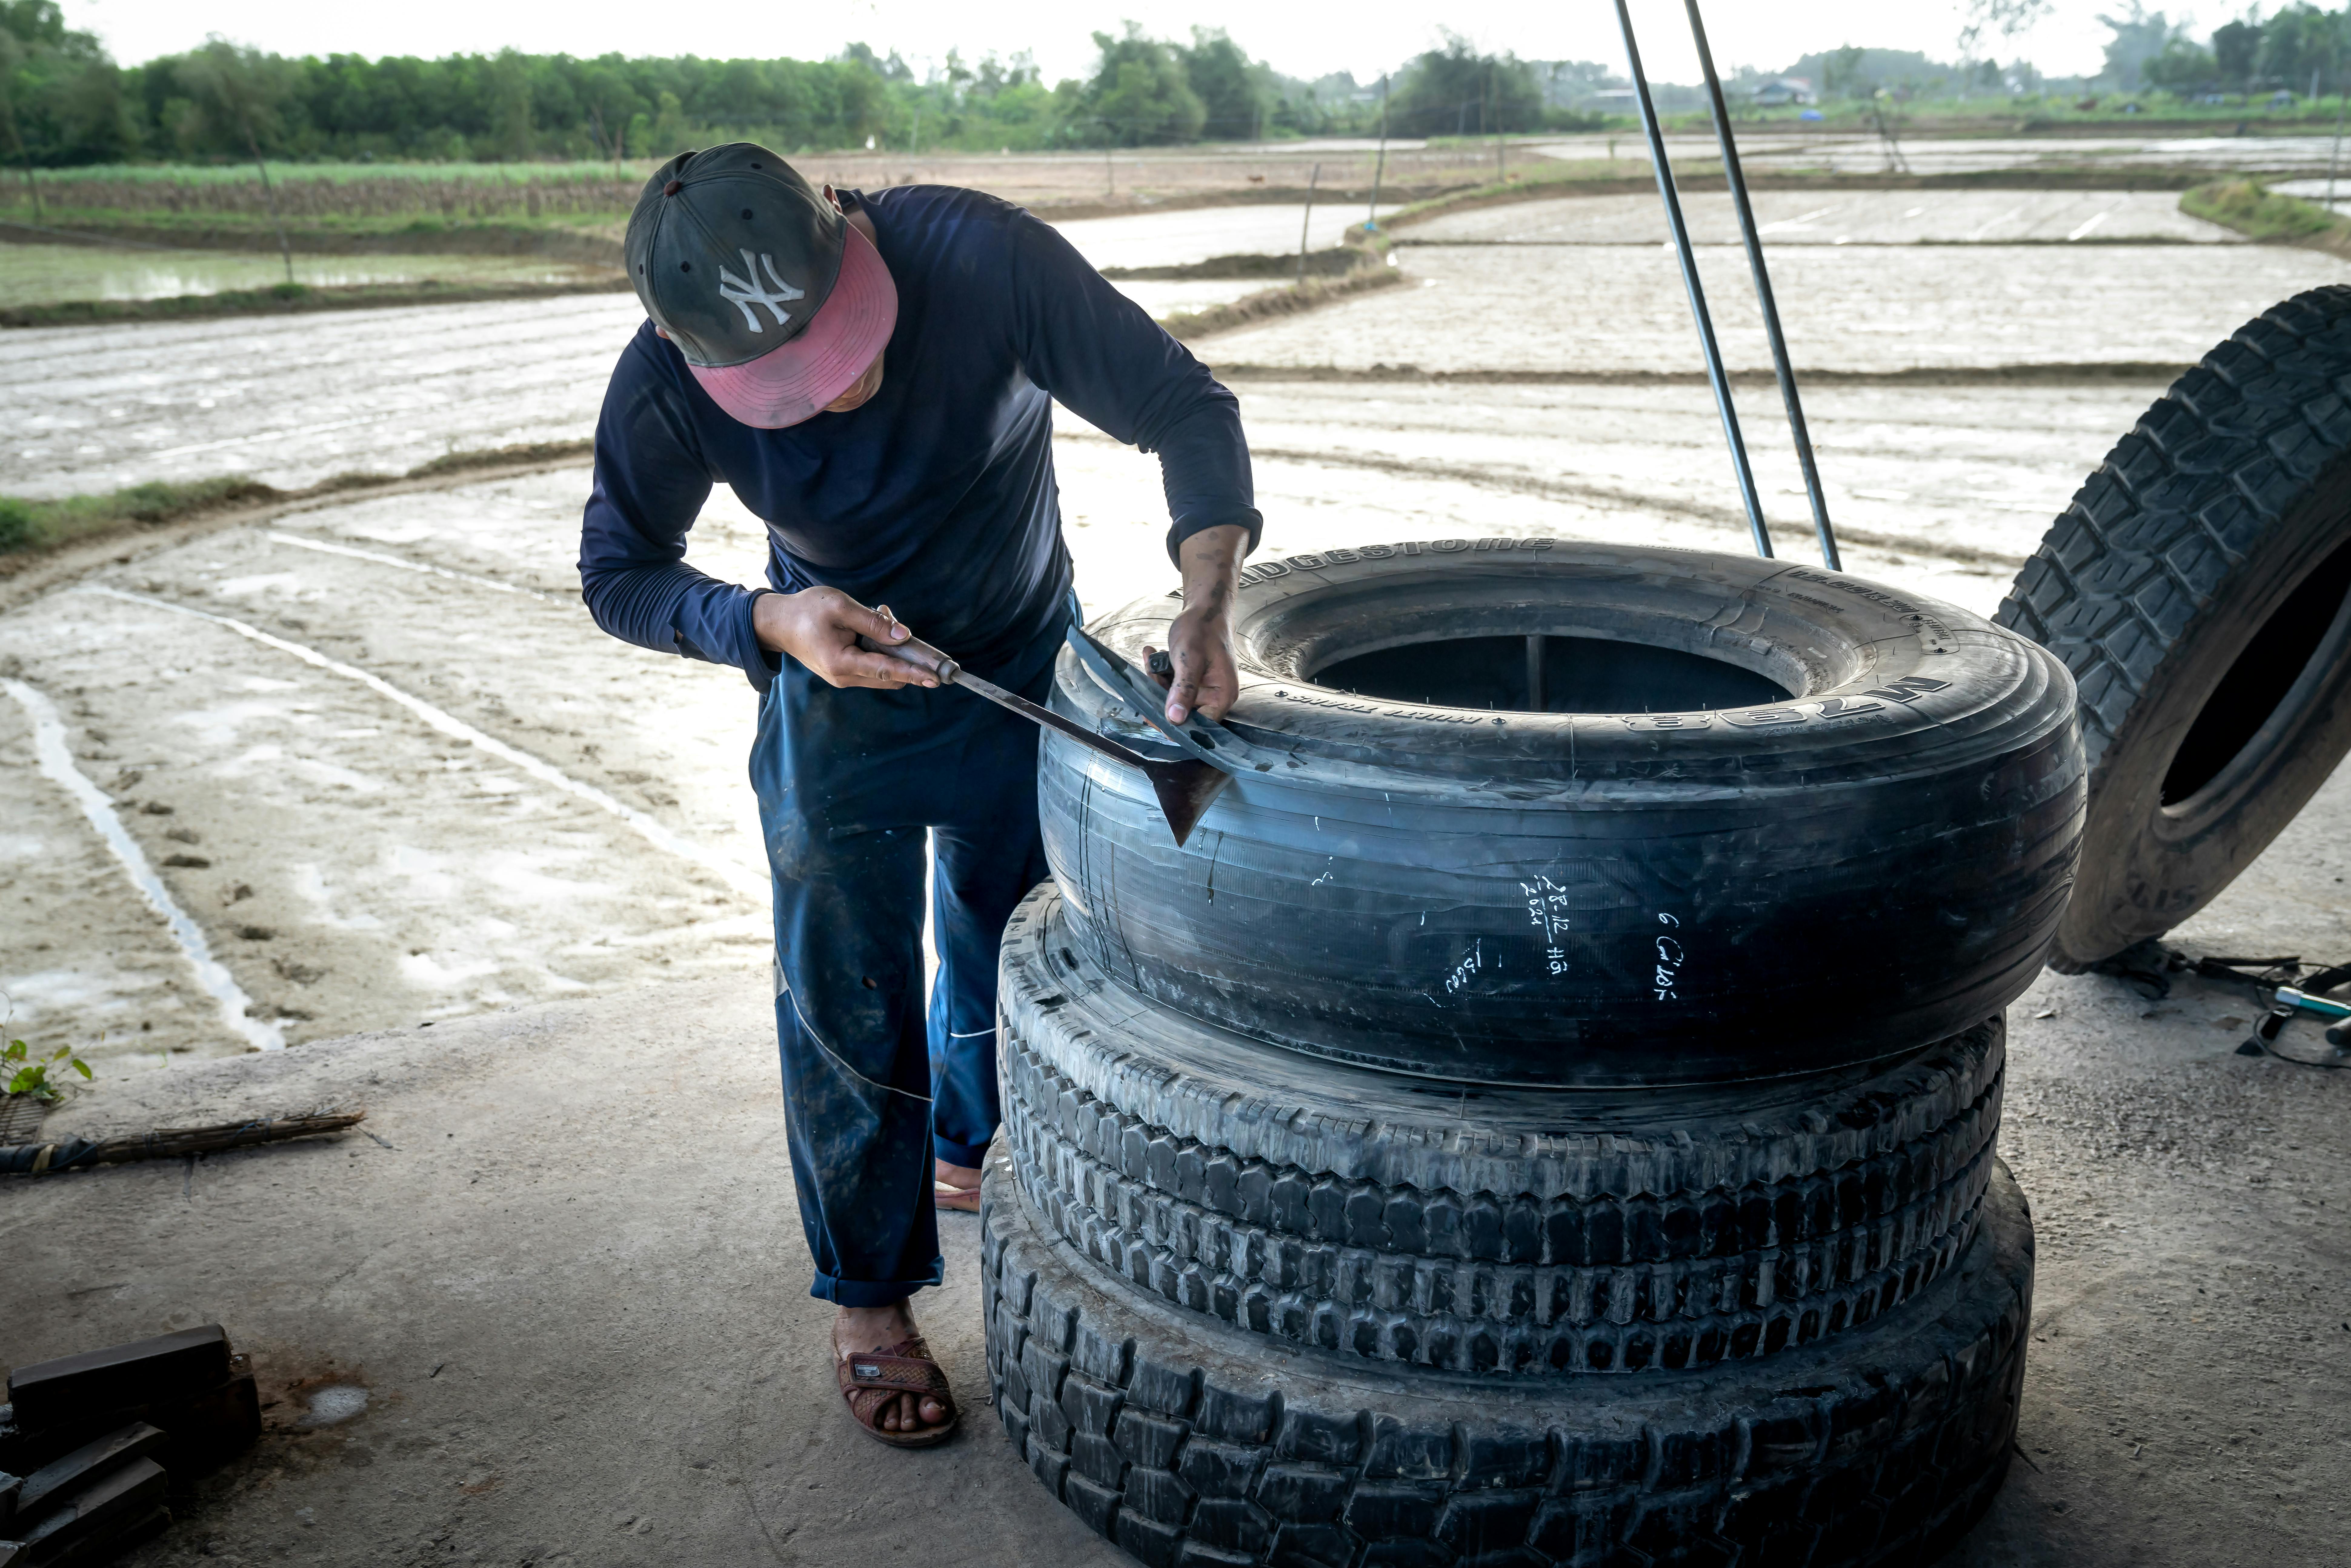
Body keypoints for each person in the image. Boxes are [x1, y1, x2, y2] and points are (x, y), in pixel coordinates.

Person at [577, 144, 1260, 1447]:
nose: (839, 394)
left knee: (1014, 942)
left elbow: (1185, 408)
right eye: (791, 390)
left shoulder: (980, 257)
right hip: (840, 686)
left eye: (844, 347)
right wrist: (768, 618)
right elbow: (620, 572)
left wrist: (1203, 606)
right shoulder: (665, 378)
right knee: (846, 989)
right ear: (702, 356)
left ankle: (972, 1149)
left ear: (847, 229)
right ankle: (871, 1302)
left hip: (1020, 653)